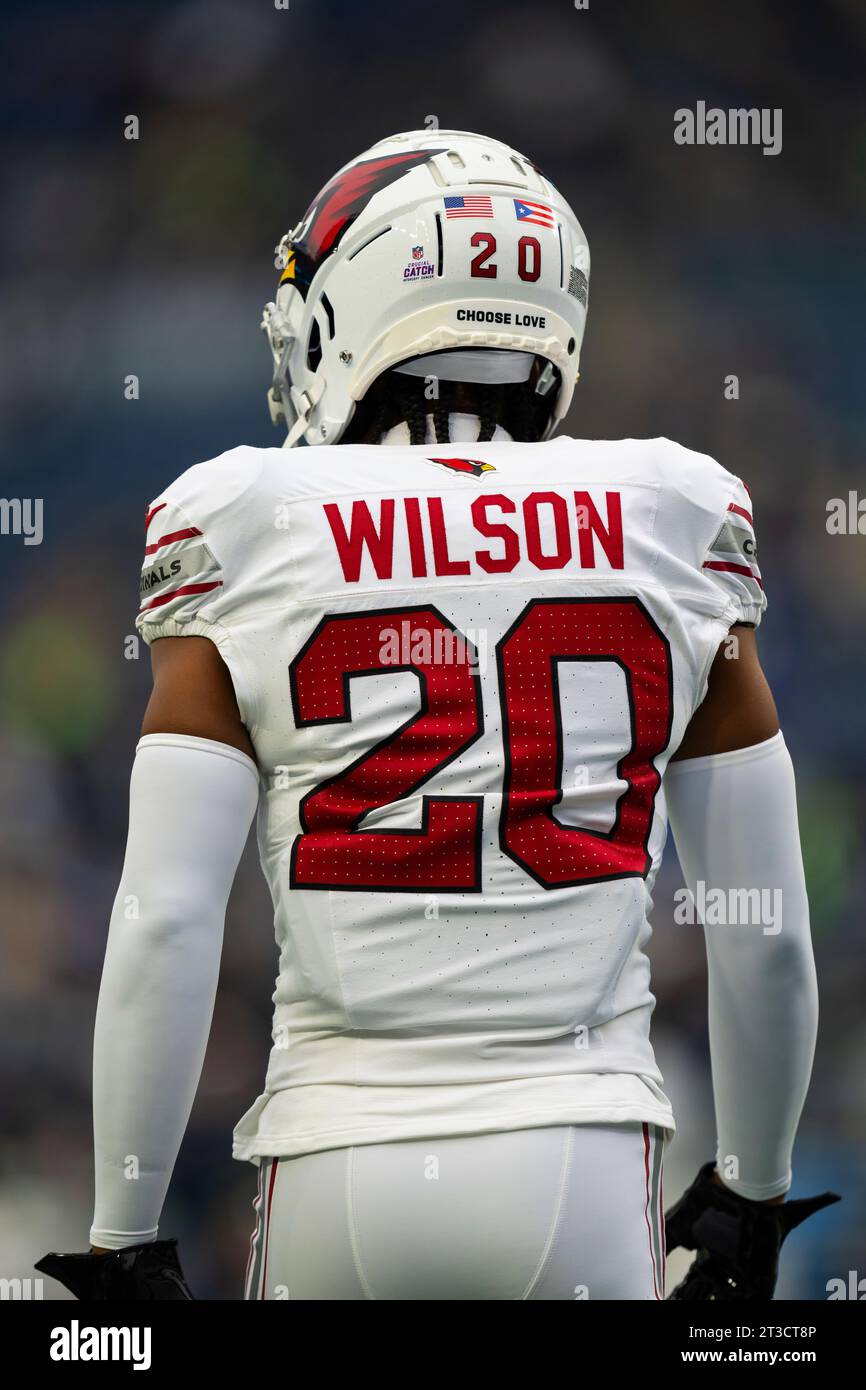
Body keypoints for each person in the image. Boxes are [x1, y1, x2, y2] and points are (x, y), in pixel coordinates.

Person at [37, 129, 836, 1302]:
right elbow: (762, 930)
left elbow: (164, 923)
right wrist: (751, 1191)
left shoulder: (243, 518)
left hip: (334, 1153)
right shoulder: (674, 508)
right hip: (581, 1149)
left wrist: (123, 1233)